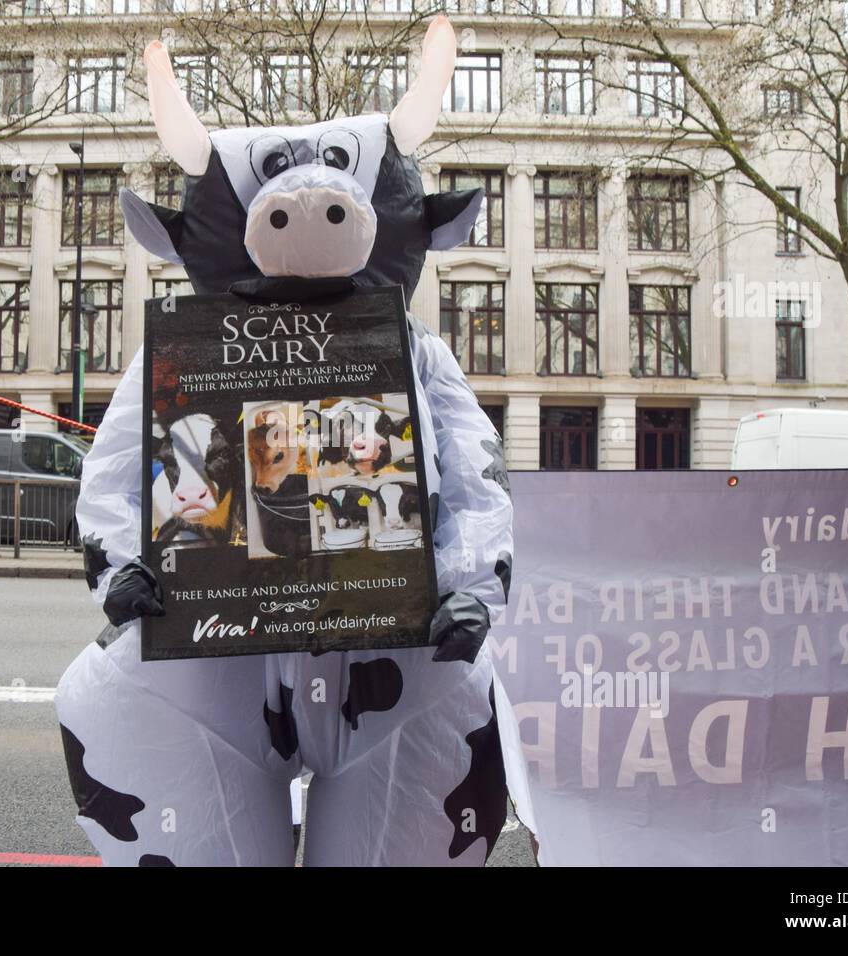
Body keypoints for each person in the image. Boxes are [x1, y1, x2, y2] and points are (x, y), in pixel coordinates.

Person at [55, 16, 517, 867]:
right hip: (214, 665)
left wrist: (469, 586)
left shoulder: (419, 355)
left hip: (396, 657)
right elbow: (120, 466)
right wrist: (121, 563)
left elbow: (478, 475)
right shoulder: (179, 357)